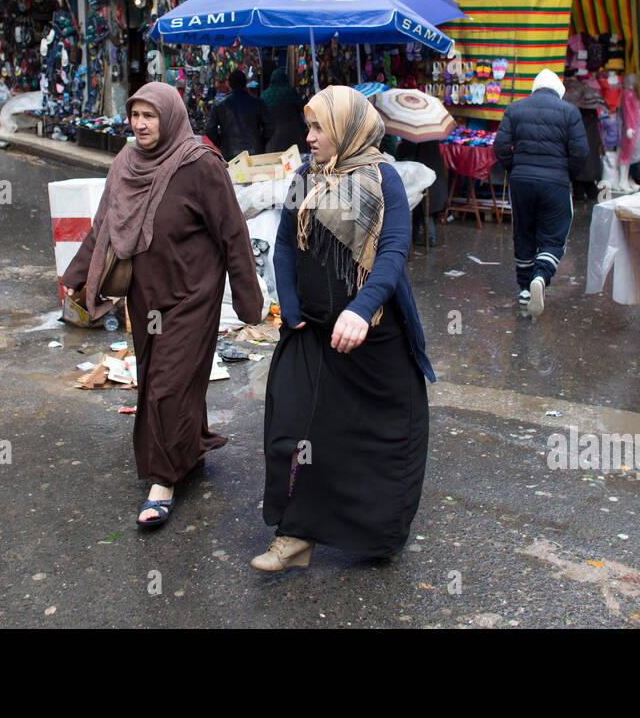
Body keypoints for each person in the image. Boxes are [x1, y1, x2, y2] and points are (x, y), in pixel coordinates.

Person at [61, 82, 263, 528]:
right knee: (157, 381)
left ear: (170, 116)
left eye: (150, 115)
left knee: (168, 386)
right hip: (145, 298)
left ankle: (162, 481)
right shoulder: (126, 163)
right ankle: (186, 452)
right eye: (135, 115)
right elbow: (104, 227)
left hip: (193, 296)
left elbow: (233, 234)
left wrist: (250, 304)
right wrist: (76, 277)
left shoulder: (201, 164)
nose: (140, 124)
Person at [255, 86, 433, 572]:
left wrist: (361, 308)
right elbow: (287, 246)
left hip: (373, 339)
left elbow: (393, 252)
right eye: (308, 126)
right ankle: (295, 535)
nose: (308, 137)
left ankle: (377, 535)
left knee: (376, 440)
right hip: (311, 331)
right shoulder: (304, 176)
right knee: (294, 432)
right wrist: (289, 306)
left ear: (348, 130)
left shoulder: (383, 180)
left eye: (318, 128)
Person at [493, 68, 589, 316]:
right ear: (559, 91)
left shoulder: (514, 108)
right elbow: (581, 151)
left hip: (521, 182)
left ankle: (525, 287)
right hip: (555, 183)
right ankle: (541, 277)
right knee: (554, 234)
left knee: (523, 230)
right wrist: (567, 173)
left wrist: (514, 168)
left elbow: (501, 146)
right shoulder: (570, 112)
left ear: (534, 88)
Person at [204, 69, 271, 160]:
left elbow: (209, 130)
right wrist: (261, 142)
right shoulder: (257, 103)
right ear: (245, 84)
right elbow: (269, 127)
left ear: (229, 84)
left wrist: (222, 143)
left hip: (230, 153)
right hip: (255, 151)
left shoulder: (219, 104)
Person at [563, 73, 605, 200]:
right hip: (590, 151)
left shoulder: (577, 113)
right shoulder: (592, 112)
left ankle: (582, 198)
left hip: (581, 153)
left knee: (581, 180)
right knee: (588, 182)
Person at [261, 68, 306, 152]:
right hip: (294, 134)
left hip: (274, 138)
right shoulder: (291, 91)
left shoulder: (264, 95)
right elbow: (302, 107)